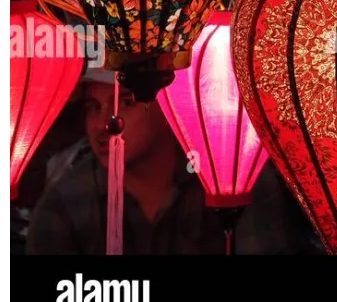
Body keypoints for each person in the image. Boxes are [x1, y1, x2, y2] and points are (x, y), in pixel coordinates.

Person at [26, 70, 315, 255]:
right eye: (93, 108)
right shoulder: (66, 203)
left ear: (167, 103)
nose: (105, 124)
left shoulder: (233, 179)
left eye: (126, 102)